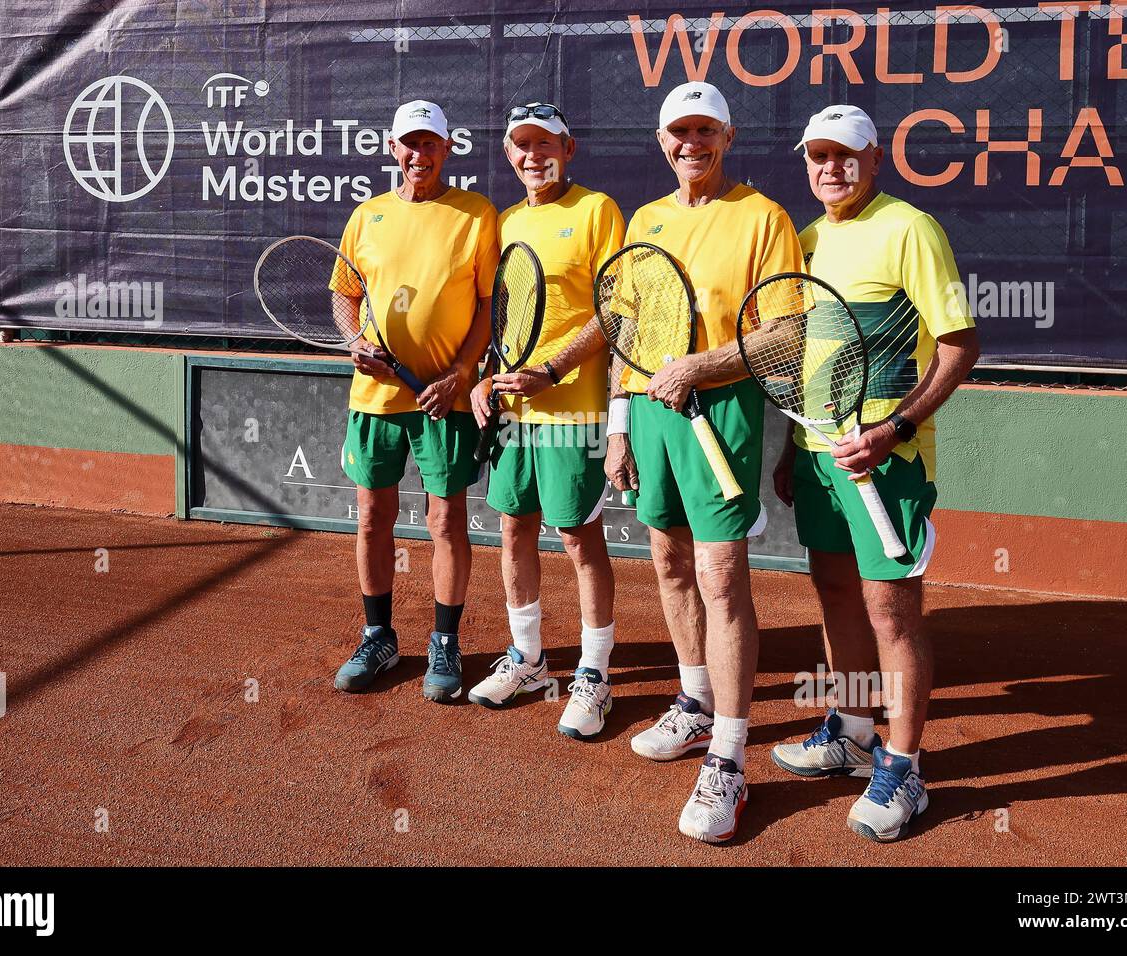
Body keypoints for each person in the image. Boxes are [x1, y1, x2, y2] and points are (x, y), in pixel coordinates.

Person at [769, 105, 980, 842]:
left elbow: (959, 344)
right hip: (823, 457)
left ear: (875, 159)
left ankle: (904, 765)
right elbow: (802, 354)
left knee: (893, 612)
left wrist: (894, 430)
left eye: (846, 155)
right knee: (834, 593)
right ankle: (854, 729)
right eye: (819, 155)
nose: (832, 167)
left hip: (890, 463)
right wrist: (797, 452)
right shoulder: (807, 238)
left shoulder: (910, 228)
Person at [605, 82, 803, 842]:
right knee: (667, 561)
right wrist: (620, 427)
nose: (691, 143)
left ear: (728, 135)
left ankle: (728, 753)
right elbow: (628, 330)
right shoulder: (645, 219)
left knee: (722, 577)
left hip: (719, 409)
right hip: (651, 413)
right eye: (678, 132)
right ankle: (693, 704)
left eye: (705, 131)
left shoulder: (764, 219)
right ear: (663, 141)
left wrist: (701, 366)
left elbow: (786, 335)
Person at [466, 103, 625, 740]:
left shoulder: (598, 211)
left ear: (569, 146)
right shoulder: (503, 224)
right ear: (510, 155)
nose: (534, 156)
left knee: (579, 538)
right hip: (514, 412)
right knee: (513, 530)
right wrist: (486, 376)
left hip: (574, 408)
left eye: (546, 144)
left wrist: (552, 370)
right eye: (522, 146)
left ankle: (593, 674)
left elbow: (616, 311)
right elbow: (502, 319)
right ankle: (528, 659)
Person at [332, 100, 499, 703]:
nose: (418, 155)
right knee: (373, 515)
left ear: (447, 149)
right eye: (409, 143)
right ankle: (377, 635)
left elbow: (486, 306)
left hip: (443, 399)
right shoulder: (367, 216)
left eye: (430, 144)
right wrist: (355, 340)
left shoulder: (477, 215)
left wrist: (461, 372)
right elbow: (345, 294)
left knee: (445, 519)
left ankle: (445, 642)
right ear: (392, 148)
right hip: (373, 397)